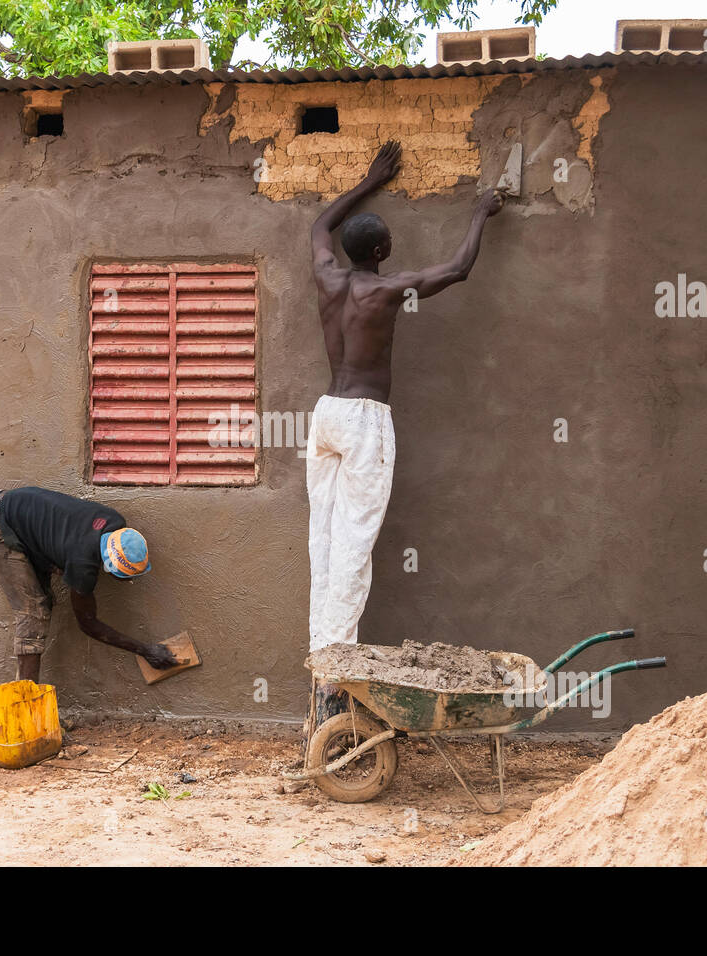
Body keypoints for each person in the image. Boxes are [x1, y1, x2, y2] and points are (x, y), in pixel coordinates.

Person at [305, 140, 505, 734]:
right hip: (364, 419)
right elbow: (458, 269)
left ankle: (319, 687)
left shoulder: (326, 276)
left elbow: (320, 223)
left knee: (324, 545)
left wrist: (369, 181)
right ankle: (336, 690)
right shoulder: (387, 291)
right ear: (385, 252)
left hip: (325, 414)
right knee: (353, 550)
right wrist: (480, 213)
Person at [0, 486, 181, 682]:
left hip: (19, 510)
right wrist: (144, 650)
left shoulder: (115, 523)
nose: (130, 581)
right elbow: (88, 624)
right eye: (125, 576)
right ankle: (26, 703)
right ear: (107, 566)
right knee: (34, 611)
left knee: (42, 601)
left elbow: (67, 536)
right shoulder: (83, 563)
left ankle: (25, 690)